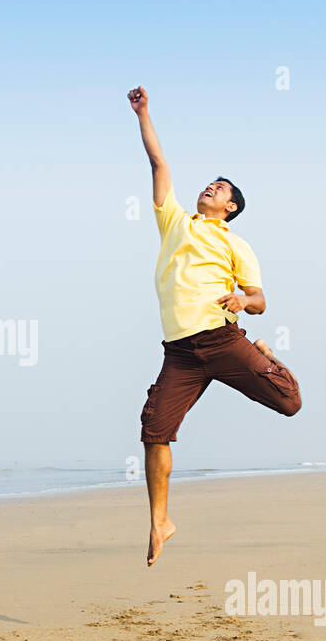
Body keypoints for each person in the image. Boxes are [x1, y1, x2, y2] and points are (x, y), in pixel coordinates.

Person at [128, 86, 302, 567]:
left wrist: (243, 299)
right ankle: (160, 522)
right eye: (210, 183)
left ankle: (268, 356)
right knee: (153, 430)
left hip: (224, 339)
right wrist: (143, 114)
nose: (211, 188)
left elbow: (260, 299)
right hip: (181, 353)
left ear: (231, 208)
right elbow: (159, 164)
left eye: (221, 188)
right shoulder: (175, 223)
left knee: (290, 403)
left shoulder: (236, 244)